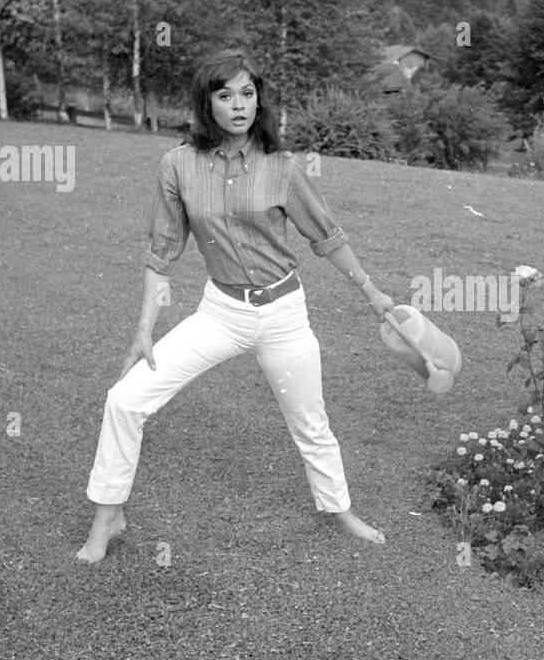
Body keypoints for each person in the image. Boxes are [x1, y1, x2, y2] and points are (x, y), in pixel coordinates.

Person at [77, 48, 392, 563]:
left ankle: (340, 512)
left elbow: (328, 238)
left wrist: (374, 294)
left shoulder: (283, 167)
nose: (239, 105)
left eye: (247, 94)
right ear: (208, 105)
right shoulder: (177, 164)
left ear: (259, 101)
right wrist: (143, 332)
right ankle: (109, 516)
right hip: (220, 314)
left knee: (310, 422)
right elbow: (162, 252)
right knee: (125, 399)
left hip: (284, 314)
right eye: (225, 95)